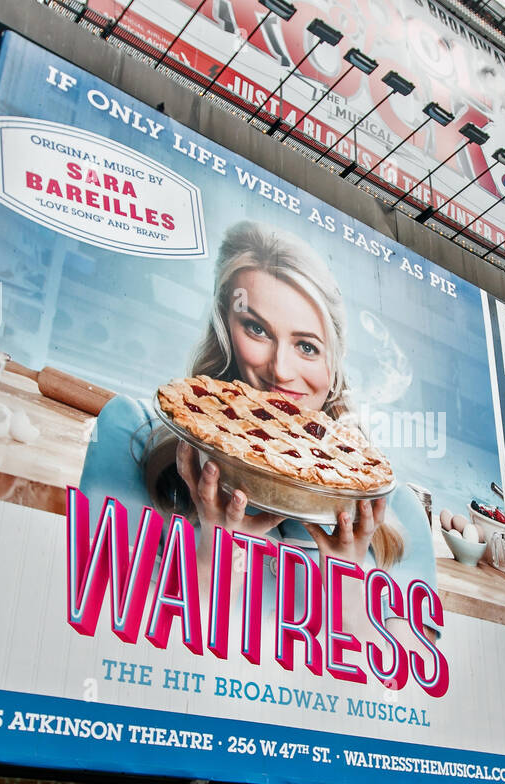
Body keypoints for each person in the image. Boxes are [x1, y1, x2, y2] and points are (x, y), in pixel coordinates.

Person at [78, 221, 438, 654]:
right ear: (225, 329)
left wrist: (345, 583)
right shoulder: (133, 435)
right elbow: (101, 647)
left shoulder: (393, 511)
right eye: (257, 330)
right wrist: (216, 556)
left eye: (307, 346)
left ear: (334, 363)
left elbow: (407, 697)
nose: (281, 371)